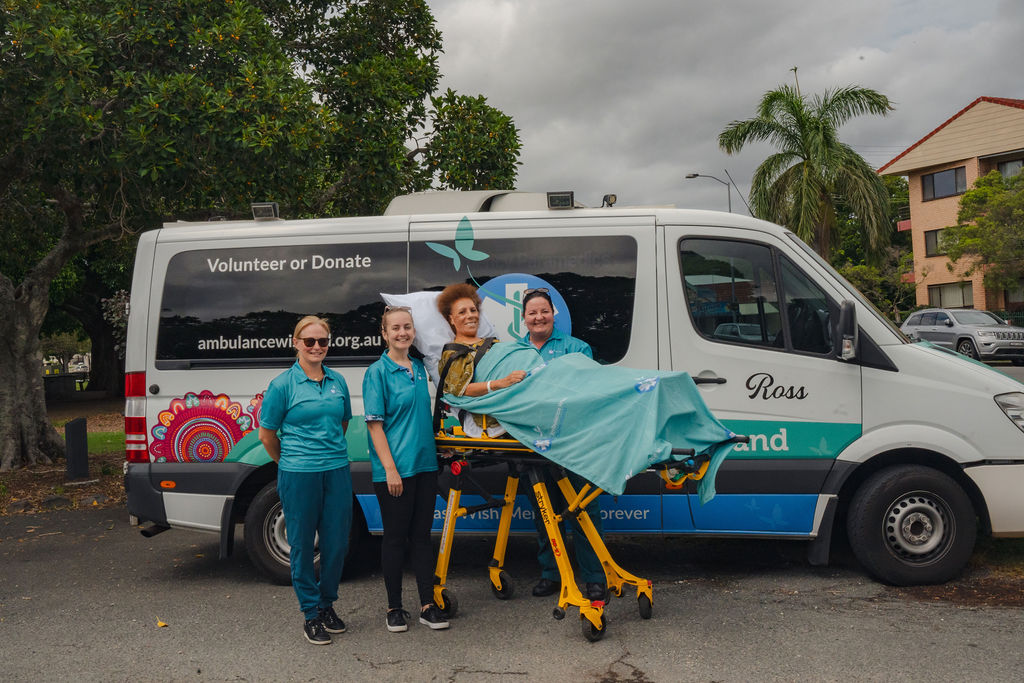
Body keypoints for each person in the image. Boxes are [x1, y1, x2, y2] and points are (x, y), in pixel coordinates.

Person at [258, 316, 353, 646]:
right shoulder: (283, 385)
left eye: (322, 342)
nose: (316, 347)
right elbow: (267, 435)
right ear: (295, 343)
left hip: (336, 470)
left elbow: (341, 423)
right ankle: (311, 614)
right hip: (298, 474)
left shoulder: (338, 381)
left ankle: (327, 605)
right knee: (301, 546)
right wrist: (288, 461)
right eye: (309, 341)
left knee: (336, 544)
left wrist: (326, 454)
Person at [362, 305, 449, 633]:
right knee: (396, 539)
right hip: (394, 472)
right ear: (384, 333)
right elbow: (375, 426)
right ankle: (394, 608)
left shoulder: (418, 367)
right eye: (395, 328)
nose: (402, 333)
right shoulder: (377, 372)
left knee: (422, 538)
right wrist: (390, 469)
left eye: (407, 327)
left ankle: (428, 606)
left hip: (425, 466)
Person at [518, 287, 608, 602]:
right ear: (524, 318)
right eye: (532, 312)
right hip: (530, 446)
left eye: (544, 310)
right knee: (545, 513)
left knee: (583, 512)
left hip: (574, 446)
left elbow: (585, 394)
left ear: (554, 313)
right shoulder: (514, 353)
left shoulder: (577, 348)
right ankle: (551, 574)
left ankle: (596, 579)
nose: (539, 317)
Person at [435, 282, 526, 437]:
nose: (470, 315)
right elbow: (460, 389)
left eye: (473, 310)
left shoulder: (494, 344)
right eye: (462, 312)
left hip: (514, 408)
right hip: (489, 422)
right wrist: (502, 383)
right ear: (451, 319)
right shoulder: (454, 353)